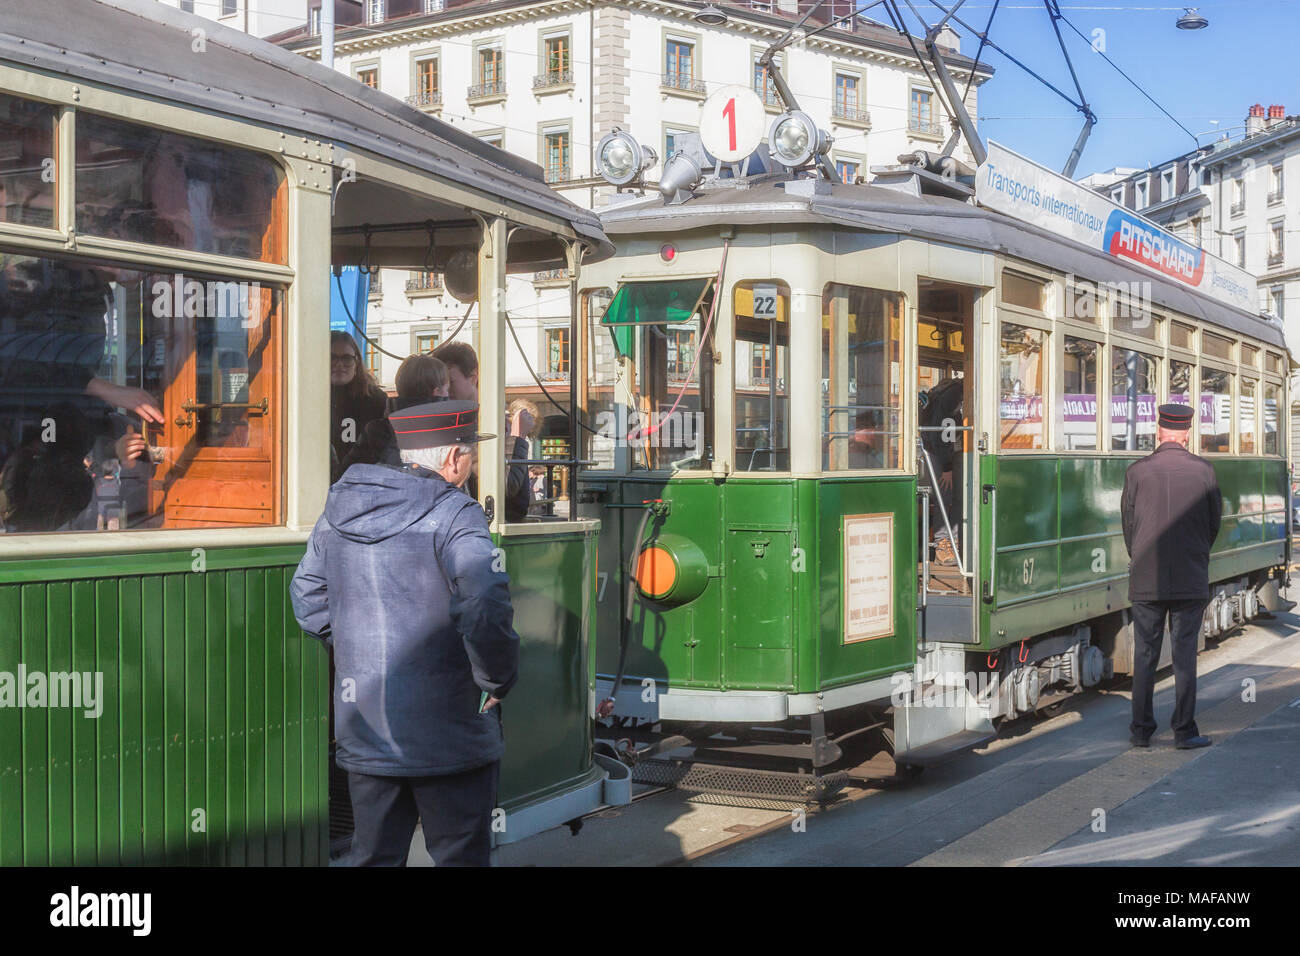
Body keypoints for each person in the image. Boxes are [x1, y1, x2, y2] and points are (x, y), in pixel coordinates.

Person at [290, 400, 520, 866]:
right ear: (454, 459)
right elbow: (484, 603)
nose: (471, 463)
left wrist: (363, 648)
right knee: (460, 855)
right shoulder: (457, 514)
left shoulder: (341, 507)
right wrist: (495, 680)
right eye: (471, 453)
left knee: (374, 857)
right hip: (449, 731)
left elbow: (306, 595)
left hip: (367, 725)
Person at [1120, 403, 1221, 750]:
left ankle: (1141, 731)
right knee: (1184, 656)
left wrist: (1142, 557)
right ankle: (1184, 731)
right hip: (1190, 577)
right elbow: (1213, 525)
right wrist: (1195, 555)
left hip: (1146, 579)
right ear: (1187, 433)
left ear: (1158, 431)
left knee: (1145, 655)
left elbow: (1128, 527)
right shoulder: (1204, 471)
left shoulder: (1137, 472)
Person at [433, 341, 534, 522]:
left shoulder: (480, 421)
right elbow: (504, 487)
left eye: (450, 381)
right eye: (440, 383)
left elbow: (502, 489)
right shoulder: (468, 422)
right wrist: (518, 437)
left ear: (473, 378)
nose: (444, 390)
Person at [340, 353, 449, 472]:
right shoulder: (449, 433)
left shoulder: (376, 431)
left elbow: (347, 473)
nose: (449, 395)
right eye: (447, 389)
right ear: (437, 392)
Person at [329, 331, 388, 483]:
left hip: (366, 483)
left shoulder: (376, 400)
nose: (339, 364)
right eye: (332, 357)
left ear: (356, 361)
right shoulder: (306, 400)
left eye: (347, 358)